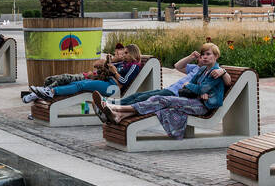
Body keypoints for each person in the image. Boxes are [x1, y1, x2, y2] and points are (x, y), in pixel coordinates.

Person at [98, 43, 229, 137]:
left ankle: (117, 108)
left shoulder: (215, 72)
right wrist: (194, 87)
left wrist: (190, 85)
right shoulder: (201, 70)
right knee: (148, 97)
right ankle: (119, 113)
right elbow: (184, 73)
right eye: (202, 54)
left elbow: (200, 88)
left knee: (158, 100)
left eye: (208, 54)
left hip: (202, 106)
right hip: (192, 99)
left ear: (216, 56)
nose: (204, 57)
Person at [24, 44, 144, 104]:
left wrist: (115, 72)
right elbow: (106, 68)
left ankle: (50, 92)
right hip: (108, 82)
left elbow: (124, 81)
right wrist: (109, 66)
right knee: (79, 83)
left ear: (133, 54)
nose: (124, 55)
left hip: (113, 88)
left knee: (81, 85)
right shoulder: (124, 63)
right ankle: (45, 93)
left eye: (127, 53)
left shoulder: (134, 66)